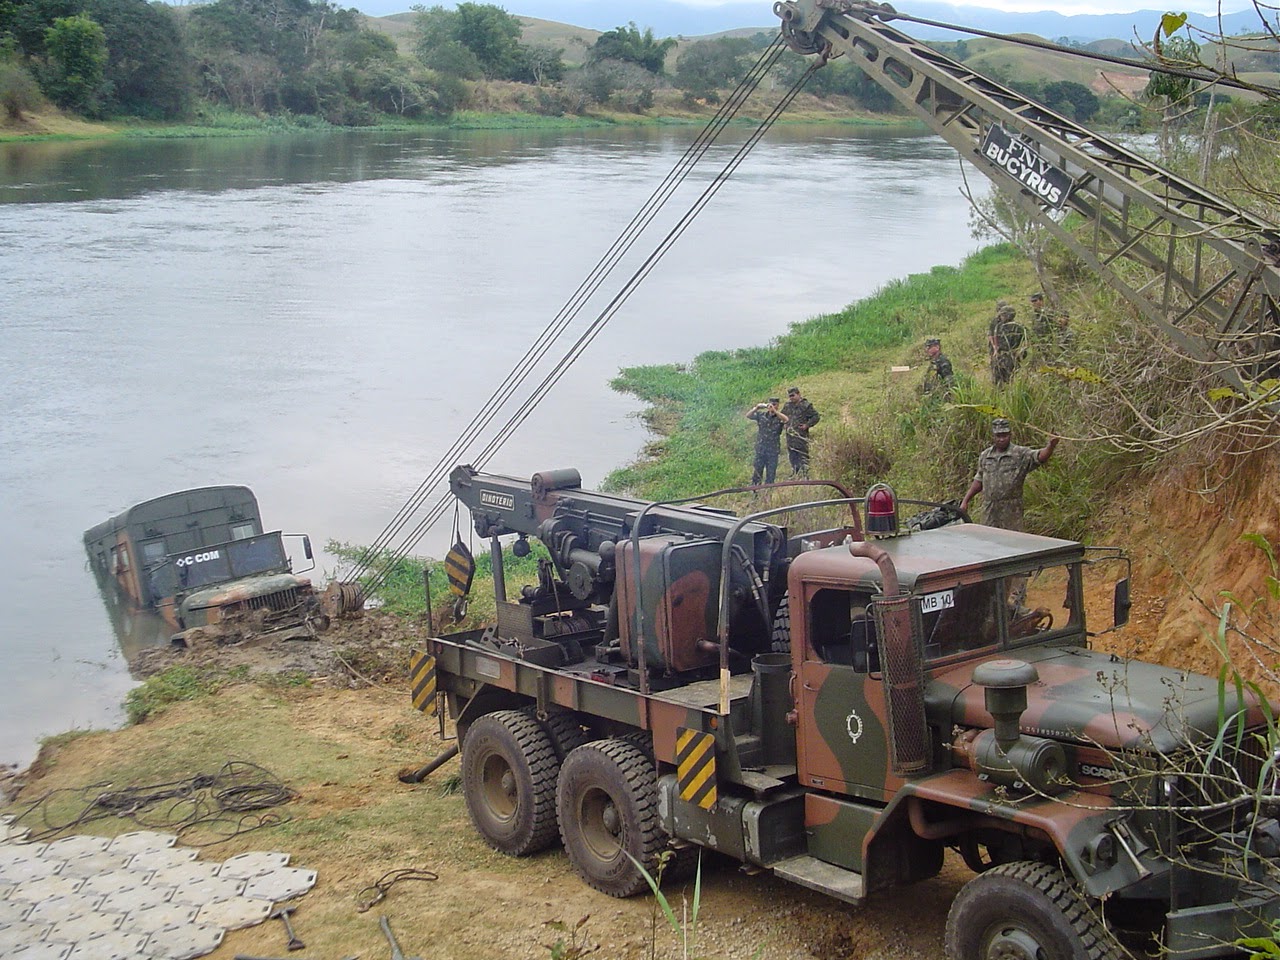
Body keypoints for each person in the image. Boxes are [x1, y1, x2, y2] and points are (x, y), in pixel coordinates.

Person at [959, 417, 1060, 532]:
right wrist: (965, 501)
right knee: (988, 541)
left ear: (1010, 435)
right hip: (990, 510)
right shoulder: (986, 456)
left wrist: (1051, 445)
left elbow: (1040, 456)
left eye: (1004, 435)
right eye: (998, 436)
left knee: (1012, 543)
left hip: (1011, 511)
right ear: (993, 436)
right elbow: (979, 481)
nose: (1001, 439)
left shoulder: (1019, 454)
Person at [746, 397, 788, 484]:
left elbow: (786, 420)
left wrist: (775, 412)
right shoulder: (762, 415)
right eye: (771, 404)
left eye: (775, 404)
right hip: (761, 449)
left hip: (773, 450)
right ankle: (755, 493)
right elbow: (748, 415)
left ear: (778, 405)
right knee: (757, 473)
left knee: (771, 474)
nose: (772, 406)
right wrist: (756, 408)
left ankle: (767, 493)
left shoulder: (779, 417)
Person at [781, 386, 820, 477]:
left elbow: (816, 417)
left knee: (803, 455)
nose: (791, 398)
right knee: (792, 455)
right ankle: (795, 472)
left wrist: (807, 425)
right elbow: (781, 416)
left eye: (793, 395)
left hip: (801, 435)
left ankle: (806, 474)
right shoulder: (787, 406)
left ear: (799, 394)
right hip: (790, 436)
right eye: (790, 396)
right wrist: (783, 424)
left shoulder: (806, 405)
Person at [988, 300, 1025, 386]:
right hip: (1009, 356)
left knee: (1002, 380)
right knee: (1009, 379)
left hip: (1005, 356)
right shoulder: (1019, 327)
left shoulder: (1006, 327)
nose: (1001, 317)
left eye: (1002, 315)